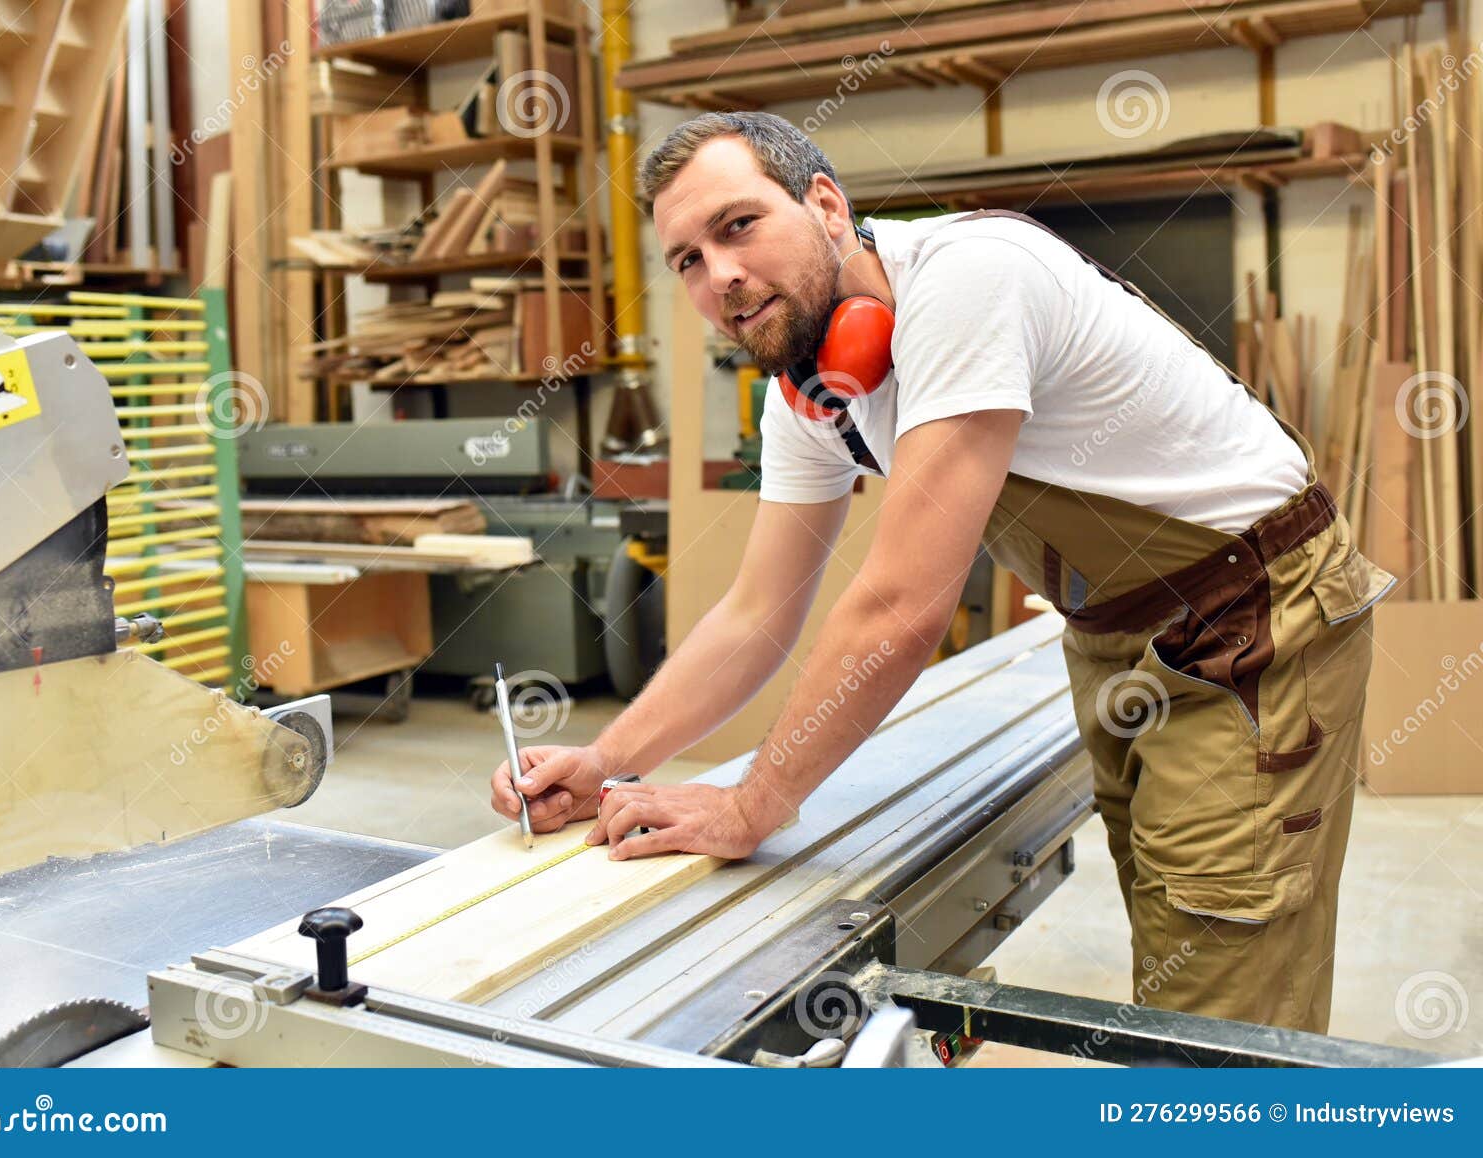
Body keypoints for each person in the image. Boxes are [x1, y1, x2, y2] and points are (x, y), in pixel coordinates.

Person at [490, 111, 1394, 1032]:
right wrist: (607, 761)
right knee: (1174, 934)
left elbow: (900, 608)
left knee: (1218, 1001)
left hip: (1252, 618)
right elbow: (755, 611)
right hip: (1116, 636)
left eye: (739, 225)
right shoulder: (812, 394)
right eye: (687, 259)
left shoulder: (969, 280)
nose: (719, 274)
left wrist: (756, 803)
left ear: (827, 206)